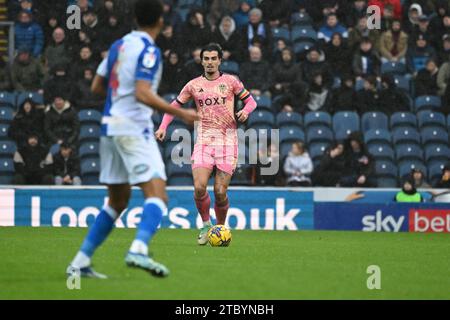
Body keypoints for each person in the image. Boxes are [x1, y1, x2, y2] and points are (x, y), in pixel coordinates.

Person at [67, 0, 198, 279]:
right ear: (160, 22)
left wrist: (120, 99)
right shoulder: (149, 49)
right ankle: (138, 249)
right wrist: (181, 113)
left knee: (117, 201)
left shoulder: (119, 45)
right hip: (133, 129)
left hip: (109, 127)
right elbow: (141, 92)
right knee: (158, 195)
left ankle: (80, 262)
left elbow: (96, 86)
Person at [155, 43, 257, 245]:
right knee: (199, 187)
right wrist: (163, 126)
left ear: (220, 60)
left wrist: (246, 112)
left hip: (227, 142)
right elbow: (173, 106)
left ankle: (220, 228)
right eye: (206, 59)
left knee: (220, 192)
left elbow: (251, 101)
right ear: (201, 61)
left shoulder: (231, 82)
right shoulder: (193, 85)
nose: (210, 62)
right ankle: (205, 224)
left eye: (213, 59)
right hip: (203, 142)